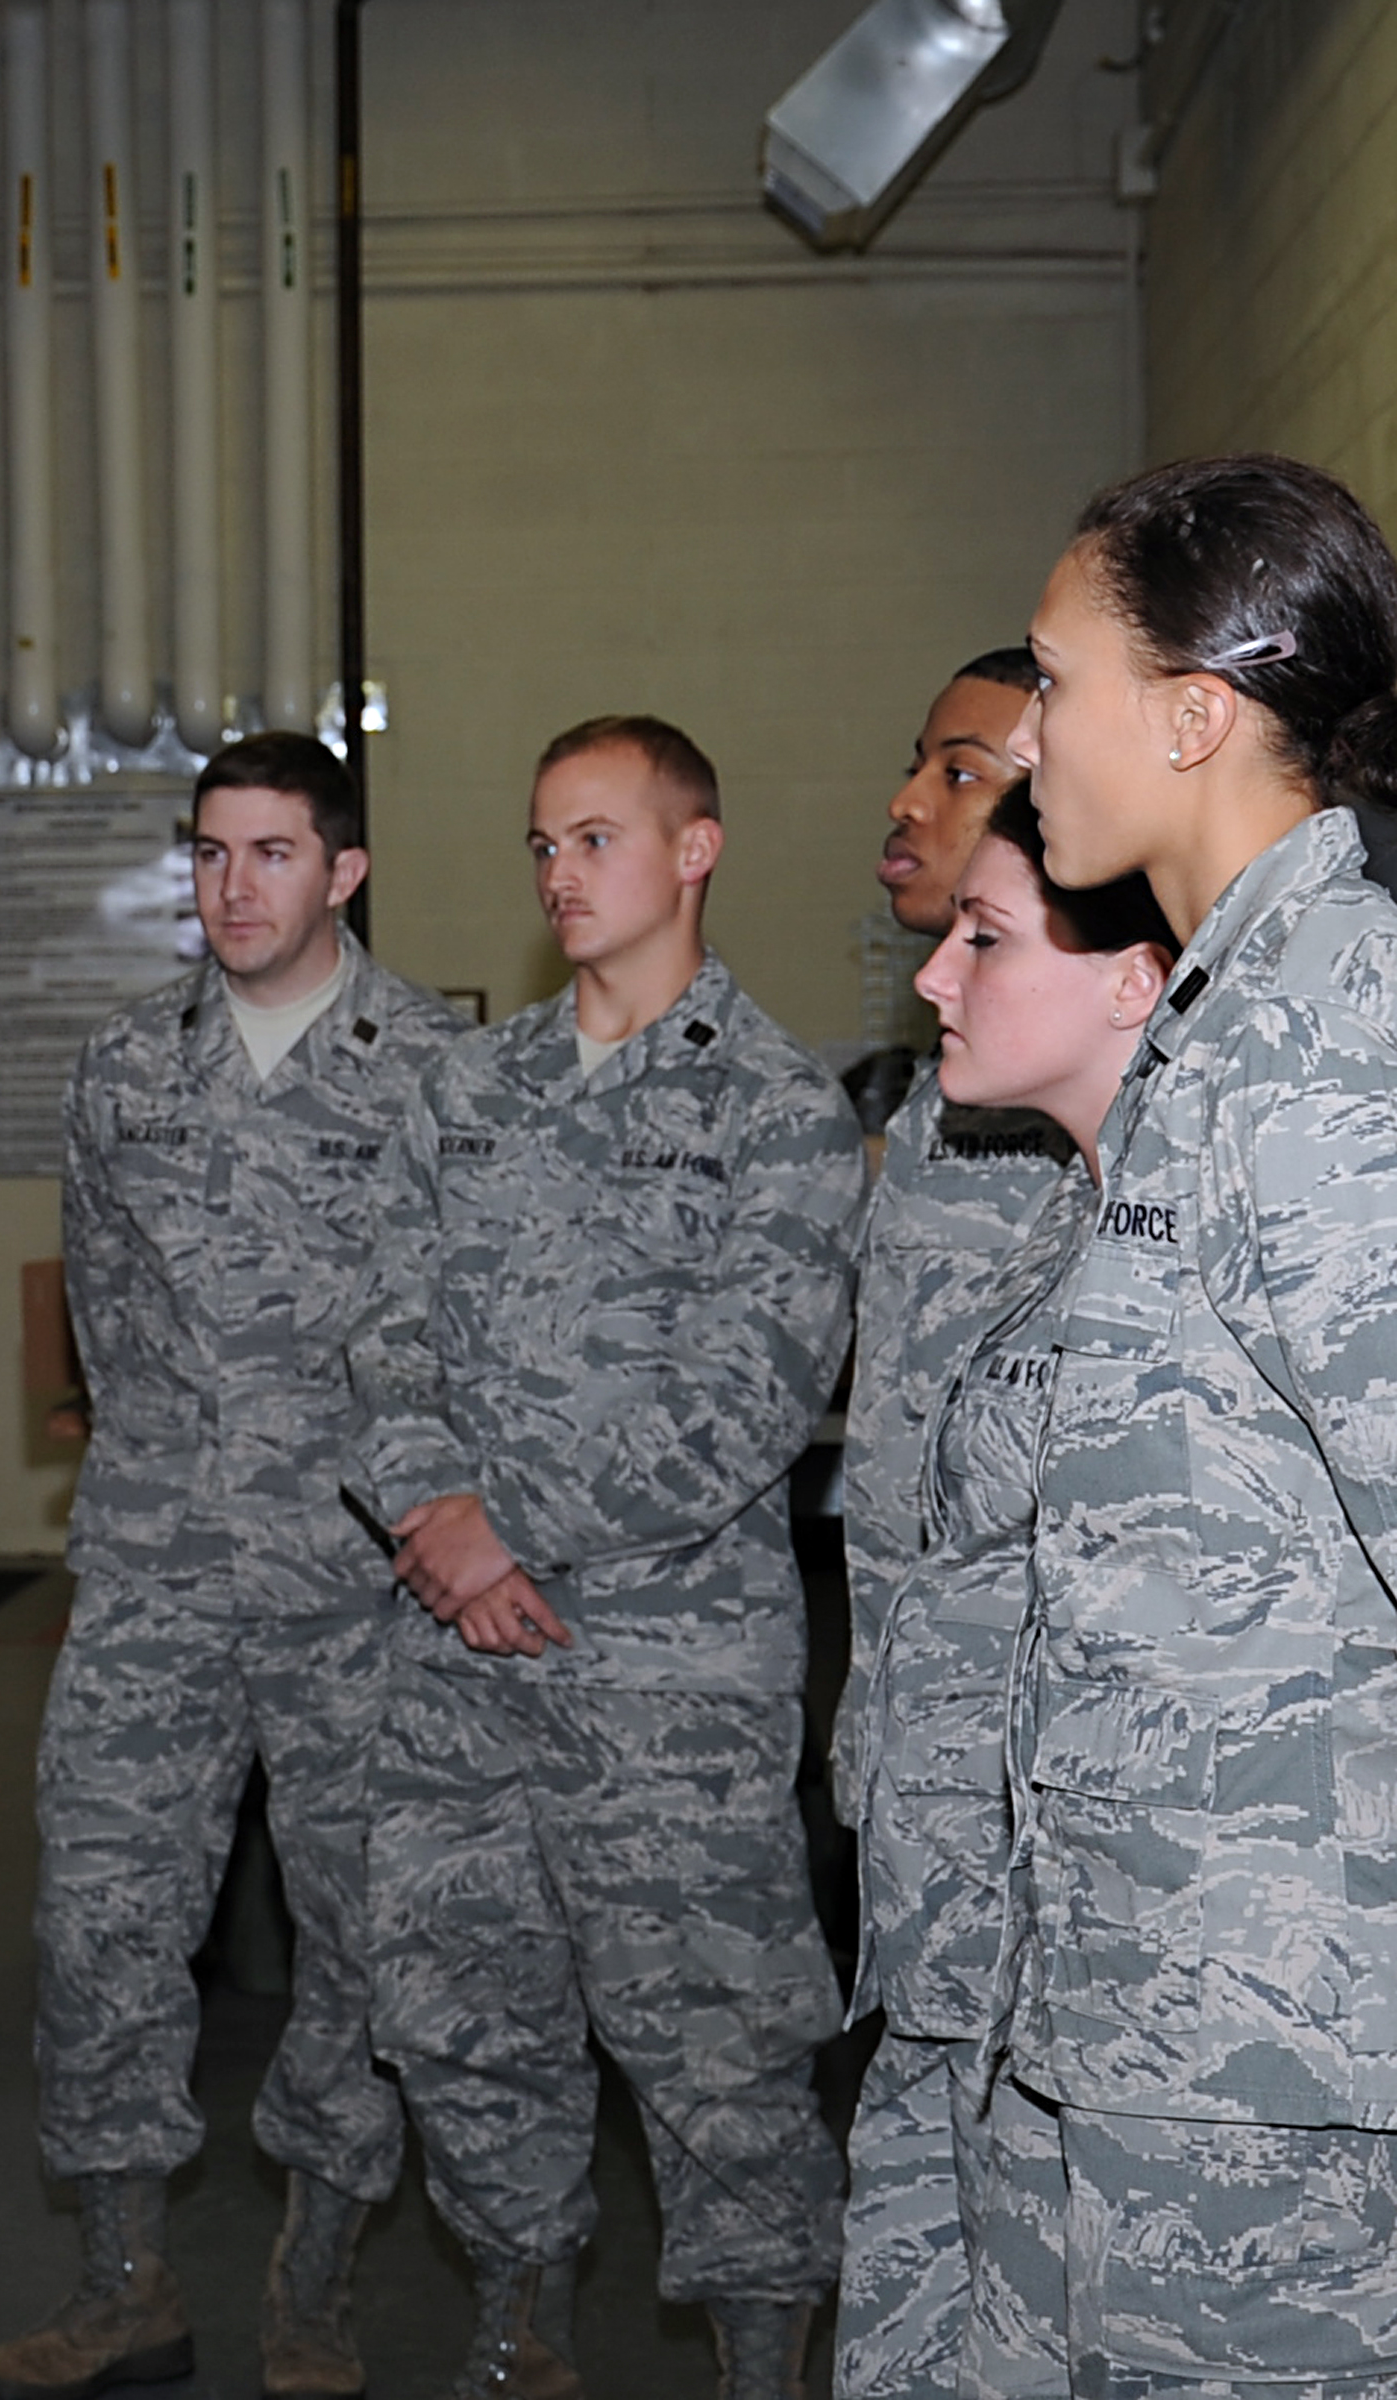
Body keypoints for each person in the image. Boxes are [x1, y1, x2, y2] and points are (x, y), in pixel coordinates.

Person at [349, 715, 862, 2400]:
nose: (561, 875)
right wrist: (438, 1523)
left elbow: (749, 1399)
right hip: (458, 1664)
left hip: (667, 1682)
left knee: (716, 2050)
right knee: (461, 2022)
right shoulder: (468, 1090)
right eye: (542, 847)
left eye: (597, 839)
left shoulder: (777, 1109)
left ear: (695, 849)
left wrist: (512, 1520)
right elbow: (383, 1332)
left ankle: (760, 2360)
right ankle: (518, 2331)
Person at [0, 733, 465, 2400]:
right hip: (160, 1573)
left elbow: (459, 1339)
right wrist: (166, 1484)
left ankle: (312, 2289)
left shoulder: (437, 1072)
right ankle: (124, 2288)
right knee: (97, 1919)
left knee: (364, 1943)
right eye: (207, 855)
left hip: (360, 1591)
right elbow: (105, 1310)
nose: (232, 887)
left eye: (269, 854)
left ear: (345, 870)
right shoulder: (124, 1071)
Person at [1000, 454, 1397, 2396]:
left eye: (1052, 681)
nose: (1019, 738)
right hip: (1189, 1998)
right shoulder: (1227, 1026)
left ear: (1193, 711)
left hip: (1285, 2022)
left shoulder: (1324, 1035)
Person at [839, 787, 1171, 2400]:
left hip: (1129, 2024)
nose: (933, 976)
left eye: (985, 939)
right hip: (957, 1967)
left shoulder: (1229, 1257)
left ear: (1136, 978)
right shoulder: (1060, 1228)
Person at [830, 651, 1086, 2400]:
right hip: (920, 1783)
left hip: (1045, 1817)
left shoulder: (1112, 1098)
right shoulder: (951, 1082)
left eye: (963, 768)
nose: (910, 808)